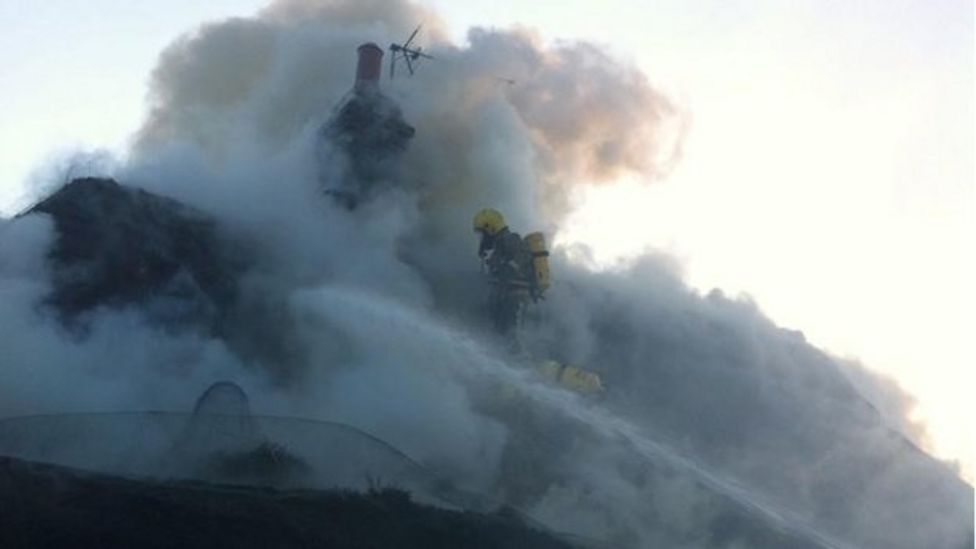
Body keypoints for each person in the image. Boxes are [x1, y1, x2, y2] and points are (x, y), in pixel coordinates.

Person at [473, 208, 537, 339]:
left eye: (482, 233)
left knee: (512, 333)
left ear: (490, 228)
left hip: (516, 296)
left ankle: (517, 358)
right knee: (500, 330)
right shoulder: (498, 247)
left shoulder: (510, 239)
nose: (482, 238)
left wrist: (508, 267)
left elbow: (523, 255)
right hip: (505, 294)